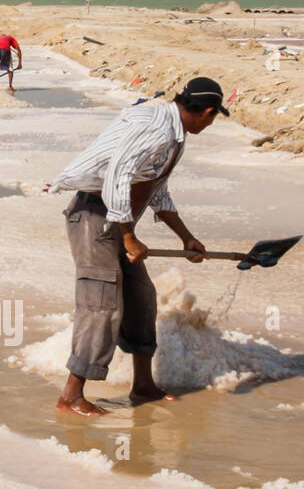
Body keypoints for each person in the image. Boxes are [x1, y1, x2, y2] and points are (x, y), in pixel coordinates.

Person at [47, 77, 228, 416]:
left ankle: (143, 386)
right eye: (214, 117)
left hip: (117, 217)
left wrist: (185, 237)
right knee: (101, 303)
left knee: (141, 296)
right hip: (93, 215)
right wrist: (128, 236)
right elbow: (118, 173)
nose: (211, 122)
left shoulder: (174, 135)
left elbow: (156, 190)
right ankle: (71, 396)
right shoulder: (160, 129)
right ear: (207, 111)